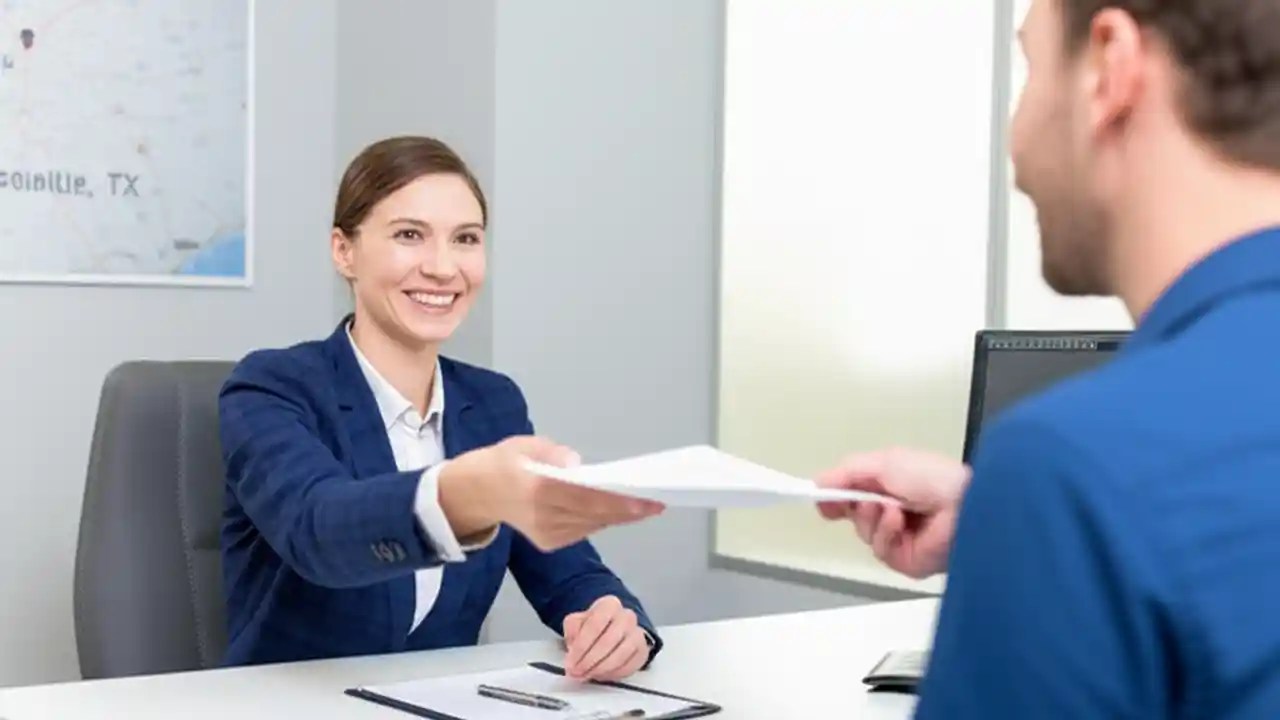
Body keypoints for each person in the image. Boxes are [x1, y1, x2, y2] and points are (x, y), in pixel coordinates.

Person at [816, 0, 1280, 716]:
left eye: (1031, 67)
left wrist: (1049, 521)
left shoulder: (1076, 466)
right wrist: (1007, 525)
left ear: (1107, 67)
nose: (1017, 144)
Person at [219, 136, 664, 681]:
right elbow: (319, 532)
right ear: (344, 251)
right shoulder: (271, 386)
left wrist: (618, 624)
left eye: (466, 239)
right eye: (410, 235)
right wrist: (464, 492)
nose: (443, 267)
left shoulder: (494, 403)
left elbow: (568, 572)